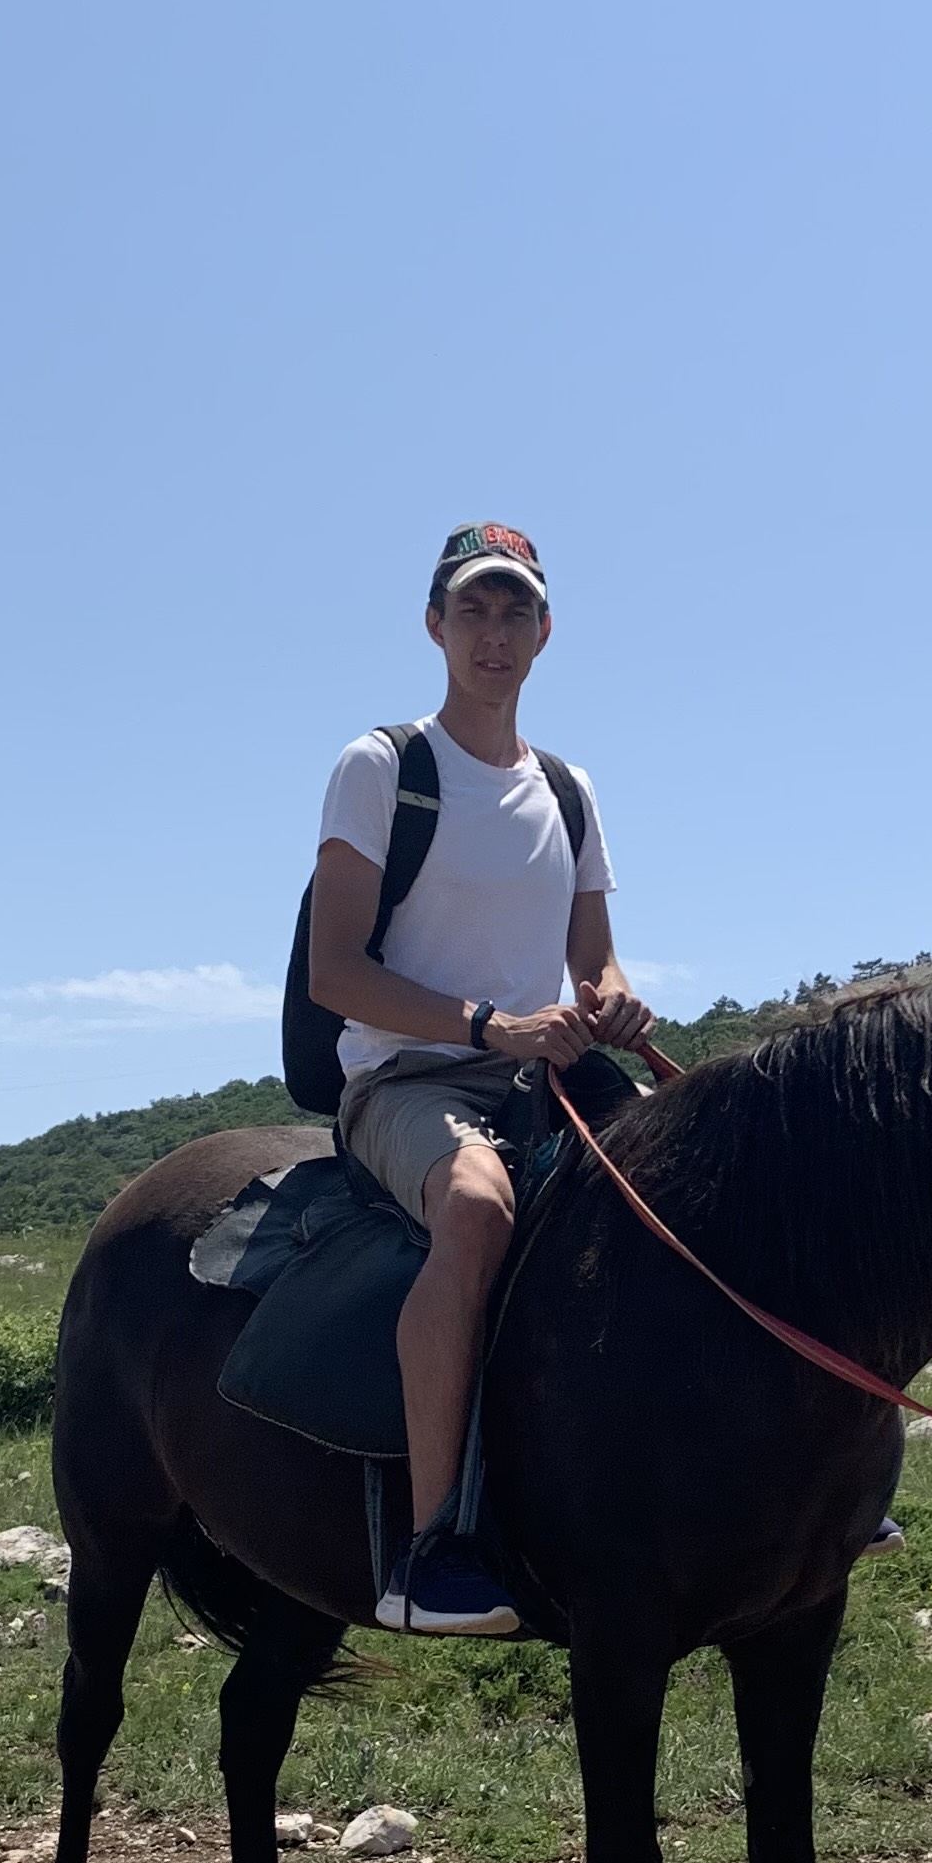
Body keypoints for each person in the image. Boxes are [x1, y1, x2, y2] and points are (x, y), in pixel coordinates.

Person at [306, 518, 654, 1632]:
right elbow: (334, 972)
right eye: (473, 609)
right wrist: (488, 1027)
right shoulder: (383, 768)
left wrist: (612, 1001)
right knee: (475, 1204)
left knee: (709, 1176)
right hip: (405, 1080)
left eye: (514, 611)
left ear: (545, 630)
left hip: (539, 1065)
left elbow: (591, 955)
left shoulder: (567, 786)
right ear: (434, 626)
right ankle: (431, 1549)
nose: (493, 632)